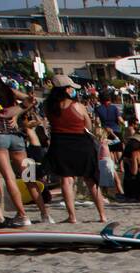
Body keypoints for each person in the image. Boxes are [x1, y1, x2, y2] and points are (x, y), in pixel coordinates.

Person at [0, 60, 42, 226]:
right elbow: (29, 100)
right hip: (13, 136)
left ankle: (11, 217)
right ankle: (42, 213)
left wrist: (17, 109)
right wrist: (18, 112)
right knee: (25, 175)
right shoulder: (1, 89)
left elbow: (1, 113)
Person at [43, 74, 106, 223]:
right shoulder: (78, 106)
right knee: (91, 180)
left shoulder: (48, 106)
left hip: (60, 144)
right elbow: (88, 126)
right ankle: (102, 215)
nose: (73, 90)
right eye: (71, 88)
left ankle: (72, 216)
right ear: (66, 89)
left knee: (66, 180)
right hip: (81, 144)